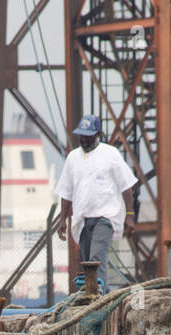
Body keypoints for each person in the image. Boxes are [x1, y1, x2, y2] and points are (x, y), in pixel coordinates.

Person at [55, 114, 137, 291]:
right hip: (82, 219)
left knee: (96, 259)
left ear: (97, 133)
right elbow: (66, 191)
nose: (84, 140)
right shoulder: (73, 158)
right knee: (87, 265)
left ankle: (97, 299)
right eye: (81, 136)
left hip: (105, 217)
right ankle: (101, 295)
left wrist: (129, 216)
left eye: (88, 136)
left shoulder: (110, 154)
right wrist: (62, 220)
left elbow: (127, 187)